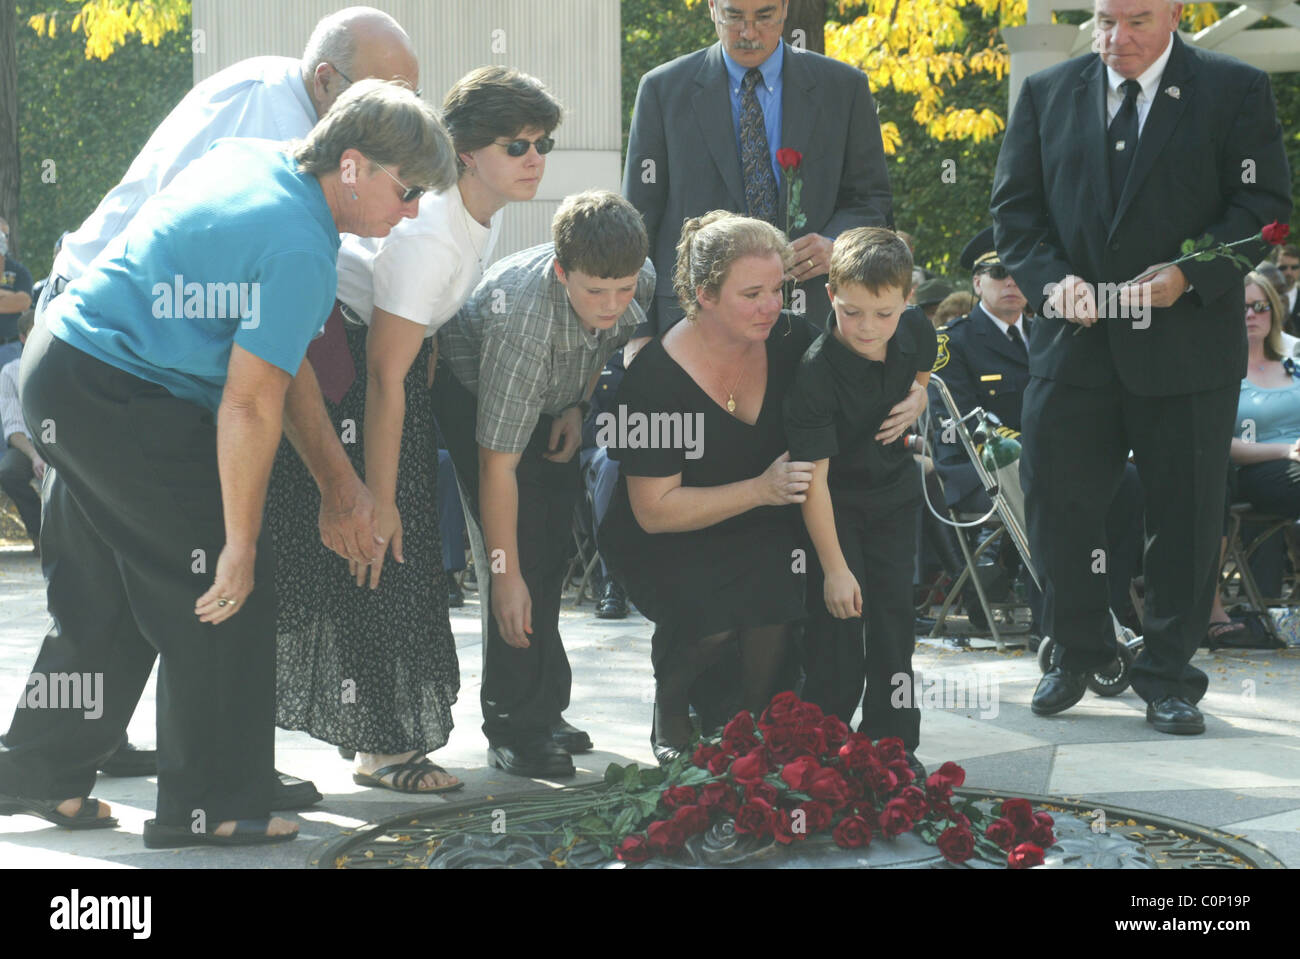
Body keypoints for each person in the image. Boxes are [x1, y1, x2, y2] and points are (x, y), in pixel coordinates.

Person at [0, 81, 448, 846]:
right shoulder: (301, 244)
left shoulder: (257, 160)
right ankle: (214, 808)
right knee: (221, 588)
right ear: (351, 165)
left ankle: (39, 772)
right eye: (406, 193)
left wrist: (341, 487)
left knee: (110, 590)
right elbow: (248, 404)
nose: (409, 213)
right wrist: (238, 545)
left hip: (62, 368)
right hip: (118, 393)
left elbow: (284, 365)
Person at [990, 0, 1292, 735]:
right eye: (1103, 20)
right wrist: (1050, 282)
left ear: (1176, 15)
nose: (1115, 39)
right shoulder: (1046, 93)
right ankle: (1075, 646)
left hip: (1185, 348)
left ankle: (1167, 674)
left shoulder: (1234, 90)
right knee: (1059, 503)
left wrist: (1190, 277)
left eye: (1136, 22)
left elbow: (1262, 210)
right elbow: (1015, 214)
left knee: (1185, 517)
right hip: (1074, 344)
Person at [270, 66, 558, 794]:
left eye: (543, 143)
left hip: (386, 373)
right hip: (351, 384)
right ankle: (383, 749)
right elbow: (384, 370)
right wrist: (379, 492)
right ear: (466, 152)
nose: (535, 160)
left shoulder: (469, 216)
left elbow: (410, 339)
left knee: (392, 558)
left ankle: (382, 740)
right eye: (517, 145)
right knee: (379, 547)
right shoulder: (432, 233)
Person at [431, 190, 655, 779]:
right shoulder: (523, 319)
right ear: (562, 273)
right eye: (595, 292)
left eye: (624, 290)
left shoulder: (639, 276)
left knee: (552, 549)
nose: (612, 305)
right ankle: (515, 727)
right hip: (478, 391)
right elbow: (496, 467)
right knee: (519, 560)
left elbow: (601, 344)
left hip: (556, 395)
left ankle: (546, 704)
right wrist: (502, 579)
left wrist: (577, 407)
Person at [37, 5, 418, 320]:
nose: (398, 120)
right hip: (93, 315)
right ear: (325, 80)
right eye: (380, 100)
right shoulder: (268, 130)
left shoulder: (303, 104)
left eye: (412, 100)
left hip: (133, 317)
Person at [599, 210, 815, 763]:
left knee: (776, 598)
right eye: (752, 293)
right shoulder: (654, 378)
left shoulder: (791, 341)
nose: (772, 306)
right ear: (705, 295)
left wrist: (915, 390)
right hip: (665, 535)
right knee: (714, 619)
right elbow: (653, 510)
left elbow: (870, 363)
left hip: (763, 523)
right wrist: (762, 489)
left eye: (778, 289)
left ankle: (754, 725)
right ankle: (671, 710)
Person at [623, 0, 892, 339]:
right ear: (711, 8)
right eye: (734, 16)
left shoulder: (843, 88)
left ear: (784, 8)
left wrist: (837, 244)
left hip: (811, 315)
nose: (748, 32)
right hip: (694, 321)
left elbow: (871, 198)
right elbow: (638, 222)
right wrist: (639, 333)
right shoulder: (662, 90)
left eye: (764, 16)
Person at [784, 227, 935, 773]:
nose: (867, 328)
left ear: (906, 302)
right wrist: (834, 569)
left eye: (883, 314)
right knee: (838, 629)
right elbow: (813, 483)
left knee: (895, 626)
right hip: (834, 508)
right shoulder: (815, 373)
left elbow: (920, 371)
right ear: (830, 295)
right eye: (852, 313)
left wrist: (918, 394)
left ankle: (893, 744)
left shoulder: (916, 330)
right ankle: (823, 744)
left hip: (895, 500)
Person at [0, 310, 41, 548]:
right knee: (8, 472)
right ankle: (40, 535)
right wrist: (36, 456)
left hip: (60, 442)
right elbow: (13, 426)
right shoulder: (10, 372)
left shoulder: (60, 365)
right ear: (23, 338)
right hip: (28, 445)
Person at [0, 219, 33, 369]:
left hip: (11, 348)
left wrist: (13, 300)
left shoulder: (19, 271)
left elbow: (23, 302)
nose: (2, 239)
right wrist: (7, 295)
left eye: (5, 235)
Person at [1269, 243, 1300, 333]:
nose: (1289, 272)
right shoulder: (1264, 297)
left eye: (1294, 267)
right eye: (1283, 268)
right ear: (1273, 268)